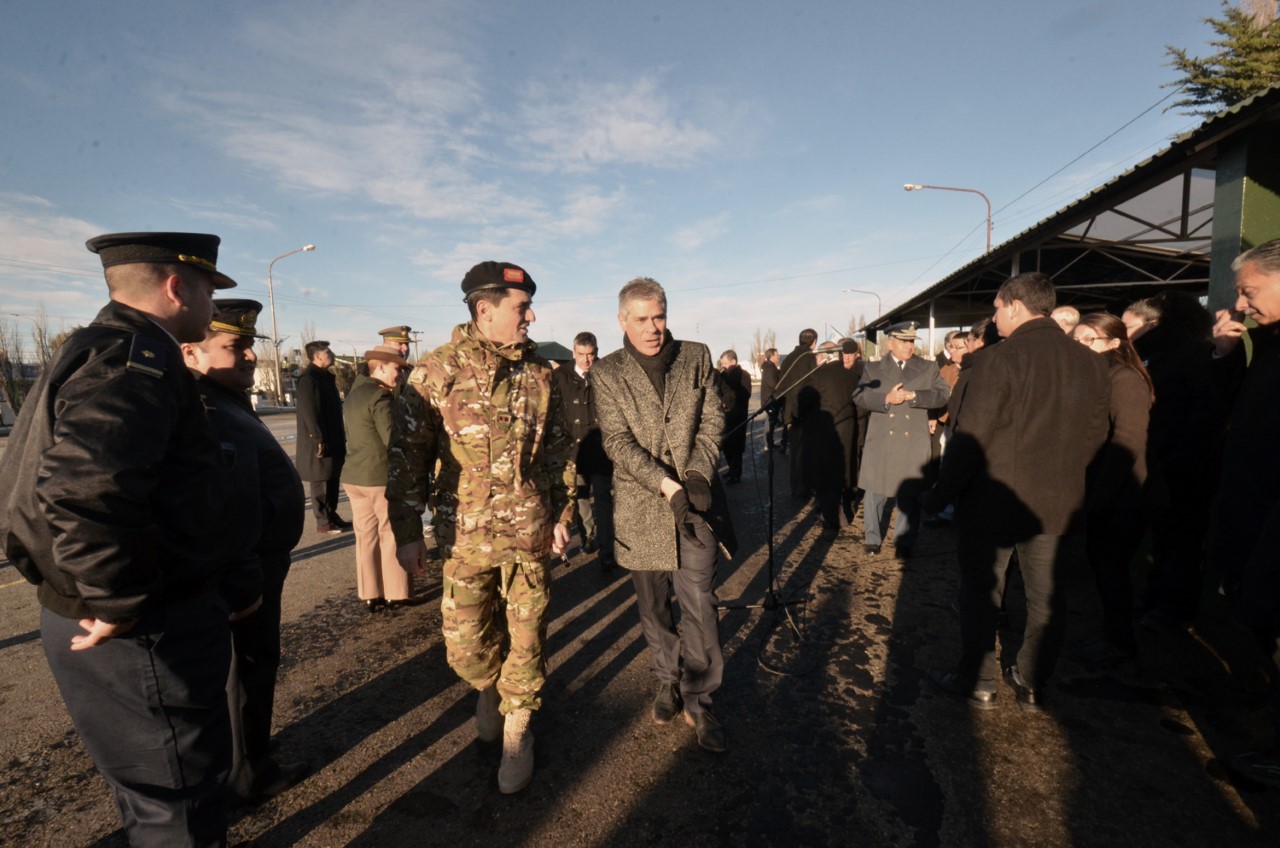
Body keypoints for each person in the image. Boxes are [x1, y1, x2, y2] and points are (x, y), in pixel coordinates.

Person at [0, 232, 239, 846]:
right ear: (176, 285)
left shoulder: (96, 347)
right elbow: (83, 488)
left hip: (111, 612)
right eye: (210, 286)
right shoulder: (137, 360)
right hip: (141, 626)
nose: (214, 300)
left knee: (153, 789)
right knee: (176, 798)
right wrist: (115, 599)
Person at [387, 260, 574, 794]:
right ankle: (488, 687)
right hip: (465, 538)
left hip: (530, 532)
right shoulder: (435, 372)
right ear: (484, 309)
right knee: (465, 643)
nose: (531, 316)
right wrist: (406, 532)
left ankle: (518, 726)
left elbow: (560, 451)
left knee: (528, 632)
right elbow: (407, 457)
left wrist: (564, 513)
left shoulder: (541, 373)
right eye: (521, 308)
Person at [922, 272, 1109, 712]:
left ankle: (979, 680)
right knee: (1046, 598)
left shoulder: (997, 361)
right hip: (1056, 504)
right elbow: (1097, 433)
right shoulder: (1089, 362)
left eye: (996, 308)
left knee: (982, 592)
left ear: (1016, 307)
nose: (994, 317)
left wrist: (940, 493)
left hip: (995, 503)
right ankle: (1031, 680)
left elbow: (971, 439)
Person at [592, 277, 738, 753]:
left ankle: (701, 700)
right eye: (642, 320)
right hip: (641, 508)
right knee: (654, 606)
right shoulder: (607, 372)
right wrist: (666, 485)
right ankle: (667, 679)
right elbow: (616, 441)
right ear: (622, 321)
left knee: (700, 604)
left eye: (660, 316)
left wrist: (696, 475)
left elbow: (714, 418)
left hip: (695, 506)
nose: (654, 328)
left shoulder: (695, 355)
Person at [181, 298, 309, 805]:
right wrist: (244, 578)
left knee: (256, 667)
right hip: (243, 575)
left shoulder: (227, 400)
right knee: (243, 672)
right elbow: (221, 509)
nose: (251, 356)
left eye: (250, 345)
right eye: (235, 346)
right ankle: (245, 772)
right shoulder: (206, 409)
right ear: (191, 354)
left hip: (257, 566)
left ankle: (250, 756)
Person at [1210, 238, 1280, 788]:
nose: (1241, 304)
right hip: (1251, 520)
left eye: (1249, 291)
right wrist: (1228, 357)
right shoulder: (1270, 344)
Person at [1070, 313, 1161, 669]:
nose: (1079, 346)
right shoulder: (1096, 375)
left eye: (1088, 339)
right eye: (1075, 340)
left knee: (1113, 569)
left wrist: (1099, 500)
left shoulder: (1124, 379)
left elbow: (1127, 443)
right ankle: (1112, 635)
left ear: (1113, 343)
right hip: (1106, 494)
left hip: (1125, 498)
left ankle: (1120, 642)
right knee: (1104, 566)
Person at [1124, 293, 1217, 633]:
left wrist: (1176, 458)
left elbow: (1202, 414)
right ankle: (1156, 598)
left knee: (1180, 542)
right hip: (1163, 462)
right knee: (1165, 540)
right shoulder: (1158, 355)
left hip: (1182, 468)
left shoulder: (1190, 355)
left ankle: (1172, 608)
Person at [853, 322, 950, 556]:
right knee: (875, 492)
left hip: (912, 440)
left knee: (909, 494)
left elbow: (943, 394)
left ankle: (904, 541)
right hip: (881, 439)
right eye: (904, 341)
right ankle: (872, 539)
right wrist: (885, 399)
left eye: (912, 341)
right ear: (890, 343)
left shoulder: (927, 367)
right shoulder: (873, 368)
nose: (909, 346)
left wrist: (916, 396)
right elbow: (859, 396)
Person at [343, 343, 423, 612]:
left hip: (354, 476)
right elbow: (393, 440)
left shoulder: (355, 394)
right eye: (396, 369)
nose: (400, 374)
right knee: (390, 533)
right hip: (378, 477)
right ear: (379, 367)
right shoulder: (380, 397)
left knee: (365, 536)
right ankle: (396, 592)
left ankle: (370, 593)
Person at [553, 331, 616, 569]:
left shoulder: (607, 374)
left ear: (596, 352)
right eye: (581, 355)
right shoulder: (560, 377)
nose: (587, 360)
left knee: (603, 498)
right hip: (573, 452)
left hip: (601, 452)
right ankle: (588, 538)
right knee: (579, 498)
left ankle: (607, 548)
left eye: (591, 355)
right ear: (574, 352)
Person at [790, 340, 862, 530]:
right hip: (847, 432)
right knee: (843, 473)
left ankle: (835, 518)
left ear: (823, 356)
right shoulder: (851, 376)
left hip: (823, 435)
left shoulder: (816, 377)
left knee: (825, 476)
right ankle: (838, 508)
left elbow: (800, 406)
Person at [296, 340, 350, 535]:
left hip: (333, 437)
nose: (332, 354)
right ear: (317, 356)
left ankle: (332, 514)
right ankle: (323, 521)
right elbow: (309, 412)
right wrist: (318, 438)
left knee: (333, 477)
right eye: (328, 352)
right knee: (321, 481)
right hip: (319, 440)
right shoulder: (308, 379)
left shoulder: (326, 377)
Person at [778, 329, 820, 496]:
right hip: (805, 411)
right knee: (804, 452)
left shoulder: (788, 358)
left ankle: (796, 486)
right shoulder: (809, 357)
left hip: (790, 410)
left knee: (796, 451)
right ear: (814, 342)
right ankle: (803, 488)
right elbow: (814, 383)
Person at [716, 349, 752, 483]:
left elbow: (745, 395)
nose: (723, 366)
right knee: (726, 446)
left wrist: (729, 398)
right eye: (722, 364)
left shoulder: (744, 375)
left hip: (738, 416)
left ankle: (736, 474)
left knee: (736, 447)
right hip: (724, 416)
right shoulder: (721, 376)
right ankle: (731, 470)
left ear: (733, 362)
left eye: (725, 363)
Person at [760, 347, 783, 450]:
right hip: (770, 400)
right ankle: (768, 444)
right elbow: (773, 384)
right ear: (771, 356)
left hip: (771, 399)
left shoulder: (771, 366)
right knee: (769, 423)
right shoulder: (770, 368)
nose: (778, 356)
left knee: (771, 423)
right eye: (777, 354)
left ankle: (770, 443)